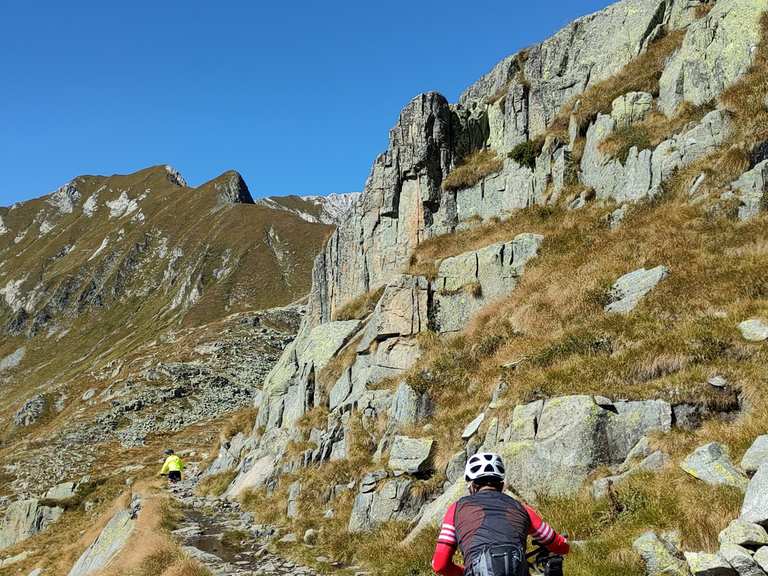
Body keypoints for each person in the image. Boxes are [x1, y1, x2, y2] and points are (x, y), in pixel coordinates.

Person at [432, 452, 569, 576]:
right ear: (502, 485)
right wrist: (565, 544)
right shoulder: (522, 508)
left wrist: (465, 571)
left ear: (472, 486)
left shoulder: (455, 509)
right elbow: (558, 544)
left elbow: (440, 565)